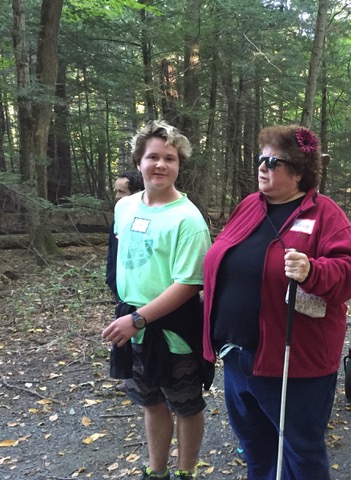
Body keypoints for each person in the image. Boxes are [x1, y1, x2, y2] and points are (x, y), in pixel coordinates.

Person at [202, 124, 351, 480]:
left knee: (301, 451)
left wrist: (313, 270)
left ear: (297, 172)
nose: (262, 167)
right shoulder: (249, 206)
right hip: (238, 356)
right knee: (255, 446)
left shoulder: (325, 214)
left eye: (273, 162)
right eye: (261, 159)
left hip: (295, 365)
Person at [101, 121, 212, 480]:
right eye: (153, 157)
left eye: (170, 158)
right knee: (150, 400)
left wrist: (138, 319)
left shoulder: (188, 219)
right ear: (139, 162)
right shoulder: (126, 207)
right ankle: (157, 470)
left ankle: (185, 472)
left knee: (185, 403)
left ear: (179, 165)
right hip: (132, 323)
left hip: (173, 329)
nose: (160, 164)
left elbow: (190, 283)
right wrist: (128, 314)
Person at [106, 171, 143, 299]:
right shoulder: (119, 218)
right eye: (116, 191)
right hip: (122, 294)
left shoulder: (148, 219)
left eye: (121, 192)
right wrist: (112, 280)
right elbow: (112, 253)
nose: (117, 196)